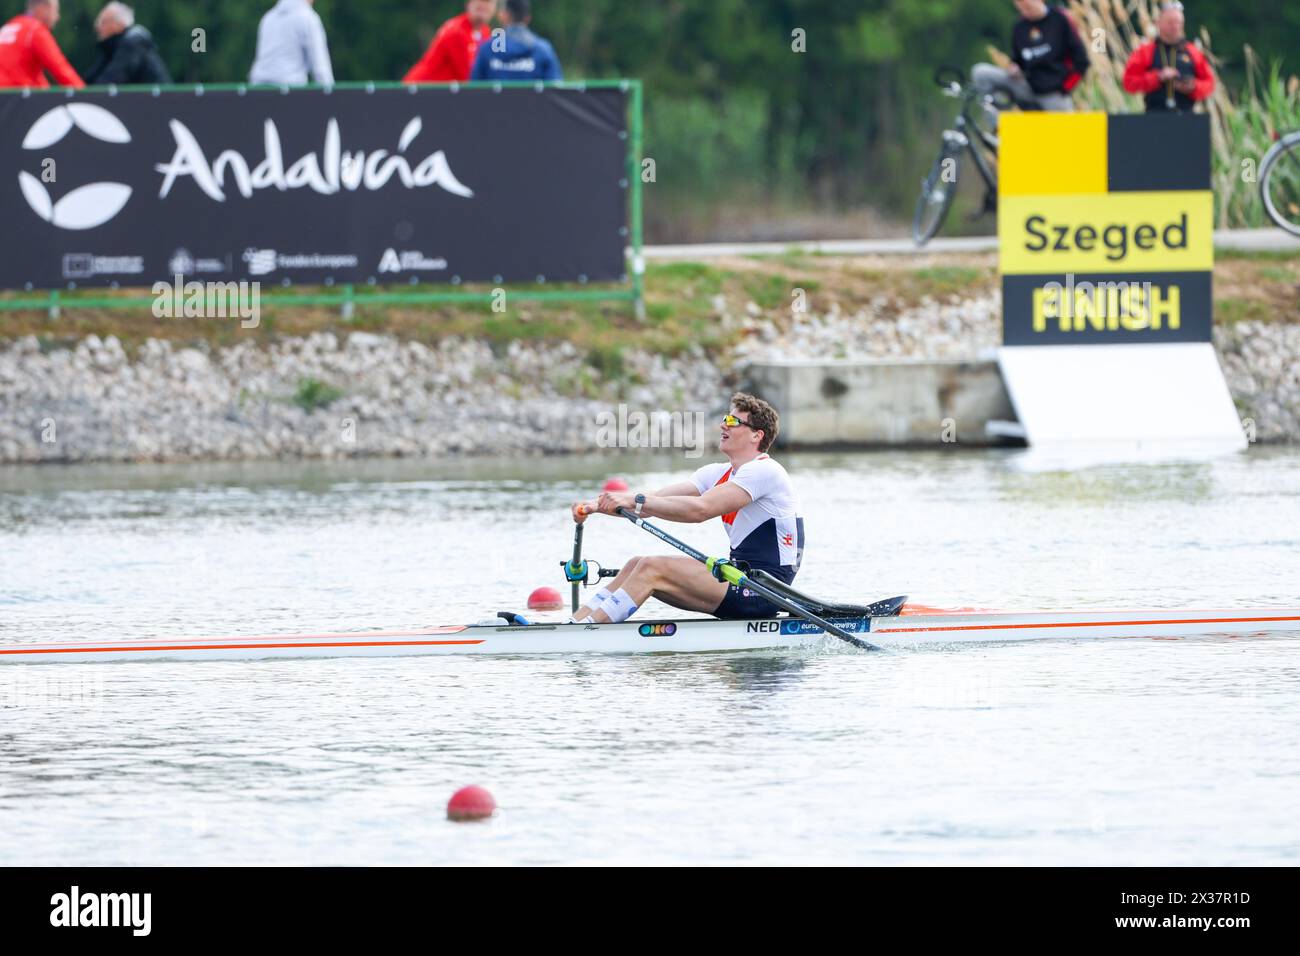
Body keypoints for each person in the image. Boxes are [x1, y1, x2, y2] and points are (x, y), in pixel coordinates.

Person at [570, 394, 804, 624]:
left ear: (757, 435)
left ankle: (587, 631)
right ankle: (575, 623)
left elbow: (700, 510)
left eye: (734, 421)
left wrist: (636, 500)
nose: (724, 424)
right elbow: (654, 501)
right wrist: (595, 505)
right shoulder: (717, 473)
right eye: (725, 418)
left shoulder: (765, 471)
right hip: (740, 577)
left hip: (763, 590)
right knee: (635, 563)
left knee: (651, 568)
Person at [972, 0, 1089, 112]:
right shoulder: (1019, 27)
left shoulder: (1060, 19)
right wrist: (1014, 68)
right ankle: (999, 125)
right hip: (1027, 86)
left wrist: (1065, 88)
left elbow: (1082, 61)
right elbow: (1017, 60)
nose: (1025, 11)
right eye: (1021, 7)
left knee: (1062, 131)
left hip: (1054, 93)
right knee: (980, 72)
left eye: (1028, 7)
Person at [1122, 1, 1214, 113]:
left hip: (1186, 117)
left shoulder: (1193, 52)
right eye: (1170, 22)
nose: (1175, 26)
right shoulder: (1146, 51)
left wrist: (1193, 86)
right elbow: (1128, 82)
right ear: (1158, 23)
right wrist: (1158, 77)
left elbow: (1209, 83)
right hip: (1154, 116)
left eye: (1178, 23)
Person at [404, 0, 495, 84]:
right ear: (468, 4)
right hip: (422, 88)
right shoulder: (456, 31)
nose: (484, 5)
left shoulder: (485, 32)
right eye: (480, 6)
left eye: (488, 3)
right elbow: (469, 75)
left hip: (444, 93)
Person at [470, 0, 561, 82]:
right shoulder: (543, 50)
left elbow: (474, 92)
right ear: (527, 18)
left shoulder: (487, 50)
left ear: (504, 16)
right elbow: (555, 92)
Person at [248, 0, 334, 86]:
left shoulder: (268, 17)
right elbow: (321, 68)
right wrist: (330, 95)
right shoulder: (308, 17)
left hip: (258, 88)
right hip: (289, 89)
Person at [0, 0, 83, 88]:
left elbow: (33, 74)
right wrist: (86, 96)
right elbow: (60, 68)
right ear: (43, 8)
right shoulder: (35, 30)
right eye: (55, 10)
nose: (57, 17)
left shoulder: (11, 25)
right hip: (10, 94)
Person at [84, 3, 171, 85]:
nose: (97, 27)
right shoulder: (113, 47)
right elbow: (91, 79)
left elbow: (113, 78)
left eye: (103, 21)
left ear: (118, 24)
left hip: (156, 101)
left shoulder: (133, 43)